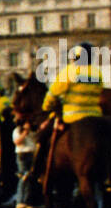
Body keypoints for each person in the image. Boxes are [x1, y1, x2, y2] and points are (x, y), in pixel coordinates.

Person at [37, 42, 103, 188]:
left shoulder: (70, 71)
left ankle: (37, 170)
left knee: (43, 136)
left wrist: (46, 106)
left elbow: (53, 93)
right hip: (95, 115)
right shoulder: (97, 73)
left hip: (73, 116)